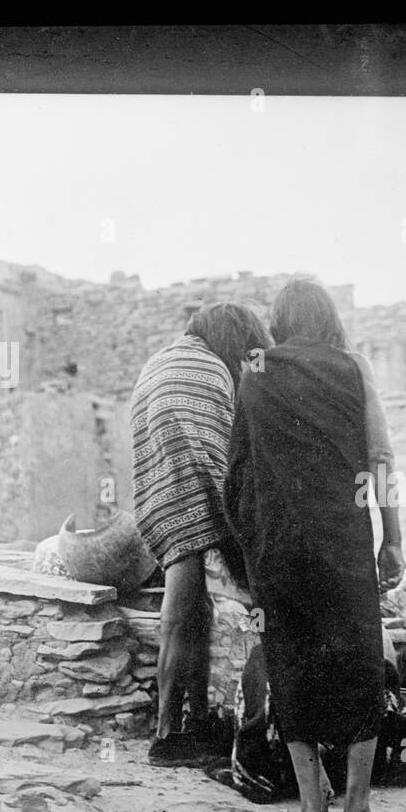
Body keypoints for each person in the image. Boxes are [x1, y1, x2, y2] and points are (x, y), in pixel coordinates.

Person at [225, 278, 405, 812]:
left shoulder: (254, 373)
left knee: (292, 666)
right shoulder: (352, 368)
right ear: (328, 318)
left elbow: (236, 476)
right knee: (359, 668)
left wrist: (250, 549)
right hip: (341, 539)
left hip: (277, 547)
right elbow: (380, 459)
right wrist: (392, 538)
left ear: (278, 322)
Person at [129, 303, 269, 767]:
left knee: (194, 605)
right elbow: (225, 450)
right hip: (194, 478)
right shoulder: (209, 367)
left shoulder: (164, 358)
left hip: (161, 487)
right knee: (184, 603)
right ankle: (168, 735)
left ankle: (196, 722)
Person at [209, 643, 406, 804]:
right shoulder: (367, 652)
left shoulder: (270, 653)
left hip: (288, 764)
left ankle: (316, 762)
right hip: (354, 763)